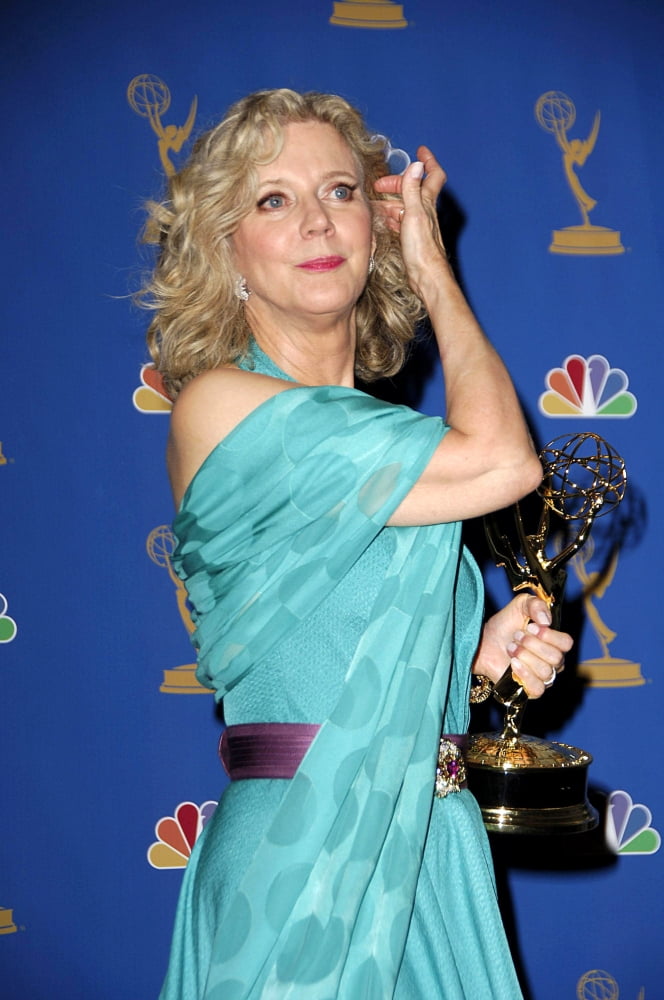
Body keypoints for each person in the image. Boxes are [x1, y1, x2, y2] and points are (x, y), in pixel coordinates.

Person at [140, 88, 573, 999]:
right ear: (228, 251)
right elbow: (503, 461)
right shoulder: (219, 406)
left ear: (371, 222)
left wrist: (477, 661)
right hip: (306, 851)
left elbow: (349, 663)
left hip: (428, 846)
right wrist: (435, 268)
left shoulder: (385, 450)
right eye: (272, 199)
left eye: (339, 190)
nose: (313, 221)